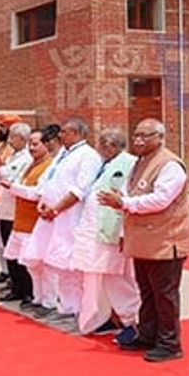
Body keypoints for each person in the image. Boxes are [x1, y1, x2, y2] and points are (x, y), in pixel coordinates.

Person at [97, 118, 189, 363]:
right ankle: (148, 335)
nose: (138, 140)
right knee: (147, 293)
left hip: (164, 241)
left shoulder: (169, 165)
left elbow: (160, 199)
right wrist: (121, 202)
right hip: (143, 240)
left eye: (145, 135)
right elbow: (133, 194)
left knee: (165, 295)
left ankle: (170, 344)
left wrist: (124, 203)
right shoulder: (140, 162)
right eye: (136, 135)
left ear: (160, 137)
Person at [31, 117, 102, 321]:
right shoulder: (64, 154)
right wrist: (44, 202)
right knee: (57, 261)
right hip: (53, 215)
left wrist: (57, 208)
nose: (60, 135)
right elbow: (49, 180)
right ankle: (65, 305)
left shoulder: (88, 156)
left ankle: (78, 308)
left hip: (71, 216)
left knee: (72, 264)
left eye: (64, 131)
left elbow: (80, 188)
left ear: (77, 133)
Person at [71, 127, 139, 337]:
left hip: (110, 232)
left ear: (112, 146)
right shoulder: (105, 164)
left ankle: (132, 321)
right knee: (96, 278)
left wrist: (120, 235)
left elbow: (124, 198)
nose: (99, 147)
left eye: (102, 143)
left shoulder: (128, 164)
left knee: (114, 277)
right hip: (94, 231)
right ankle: (101, 318)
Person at [3, 128, 54, 307]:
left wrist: (13, 188)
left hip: (34, 223)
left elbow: (38, 194)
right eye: (30, 144)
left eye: (35, 144)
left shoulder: (49, 165)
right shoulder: (30, 164)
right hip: (20, 220)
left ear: (46, 145)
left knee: (37, 265)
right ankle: (34, 296)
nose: (31, 148)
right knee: (25, 263)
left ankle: (42, 299)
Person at [0, 121, 32, 301]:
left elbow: (13, 179)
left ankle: (25, 289)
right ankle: (15, 286)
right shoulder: (12, 157)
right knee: (8, 250)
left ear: (23, 139)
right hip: (4, 208)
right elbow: (0, 178)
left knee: (18, 252)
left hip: (15, 210)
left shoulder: (26, 159)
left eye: (13, 137)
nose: (10, 140)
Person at [0, 113, 21, 284]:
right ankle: (4, 269)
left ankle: (12, 275)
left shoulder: (15, 151)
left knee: (9, 241)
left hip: (9, 200)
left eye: (2, 126)